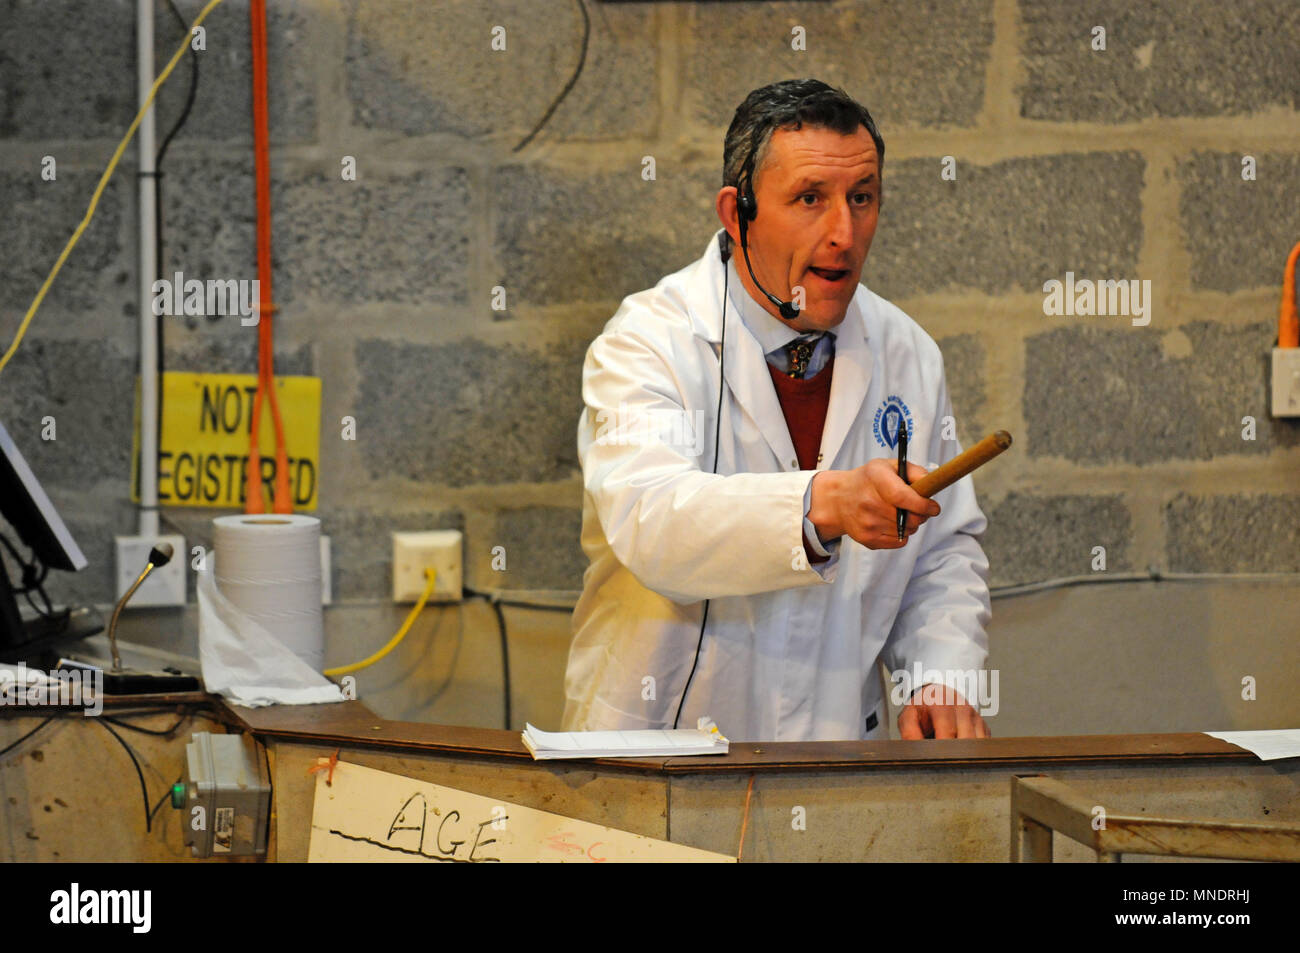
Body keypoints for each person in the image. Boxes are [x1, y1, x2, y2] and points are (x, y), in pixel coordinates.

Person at [561, 79, 993, 742]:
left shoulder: (907, 351)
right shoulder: (648, 340)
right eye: (810, 200)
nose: (843, 233)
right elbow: (648, 521)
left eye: (862, 198)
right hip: (655, 752)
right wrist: (822, 502)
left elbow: (941, 551)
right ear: (738, 214)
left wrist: (940, 673)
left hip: (834, 751)